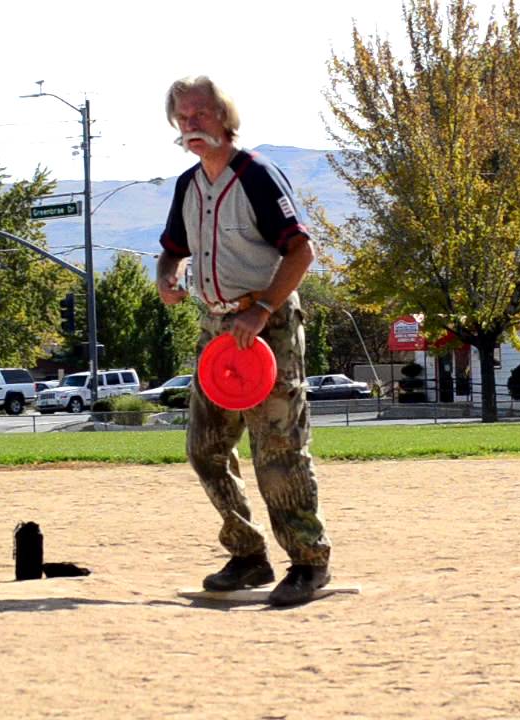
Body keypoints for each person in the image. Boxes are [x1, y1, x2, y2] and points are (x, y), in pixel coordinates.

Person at [157, 75, 331, 606]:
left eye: (201, 114)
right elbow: (172, 249)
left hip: (266, 327)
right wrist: (167, 275)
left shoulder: (255, 175)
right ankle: (248, 554)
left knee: (278, 450)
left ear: (223, 115)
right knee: (205, 449)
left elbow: (300, 251)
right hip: (216, 329)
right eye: (183, 116)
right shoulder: (188, 185)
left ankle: (308, 562)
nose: (192, 124)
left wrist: (262, 308)